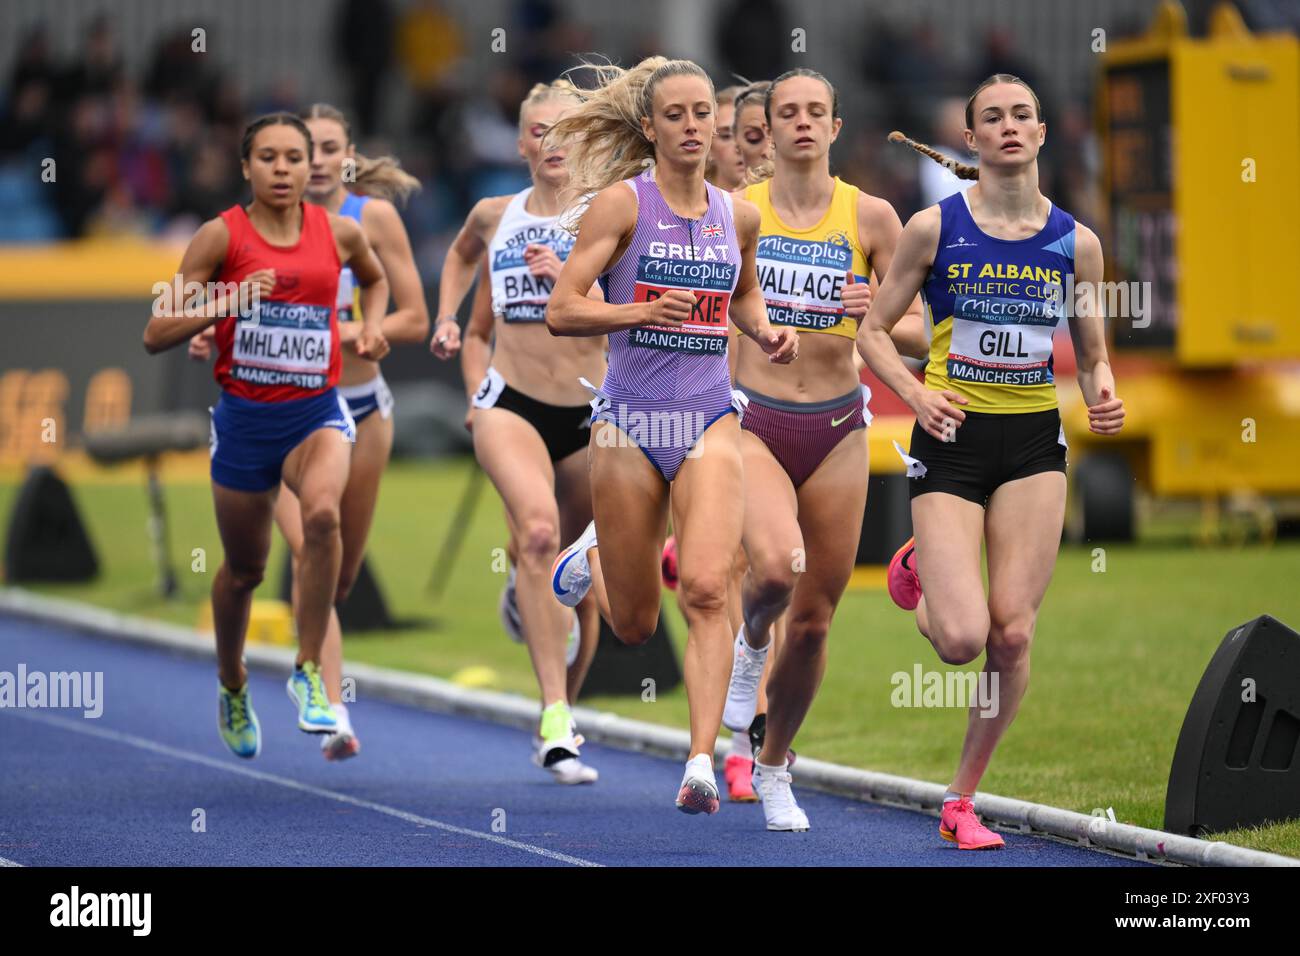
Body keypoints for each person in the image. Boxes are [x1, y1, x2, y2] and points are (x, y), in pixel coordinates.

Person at [859, 75, 1126, 849]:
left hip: (1035, 445)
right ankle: (920, 562)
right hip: (950, 440)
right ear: (971, 140)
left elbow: (1097, 357)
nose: (1009, 127)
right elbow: (875, 332)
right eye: (992, 119)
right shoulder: (931, 229)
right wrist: (916, 394)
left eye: (1022, 116)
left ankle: (960, 800)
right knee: (960, 640)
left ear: (1043, 133)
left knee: (1011, 635)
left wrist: (1104, 394)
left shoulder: (1077, 243)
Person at [545, 56, 798, 814]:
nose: (694, 127)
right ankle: (593, 550)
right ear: (650, 127)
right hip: (628, 422)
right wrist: (636, 313)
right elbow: (563, 309)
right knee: (632, 622)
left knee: (708, 587)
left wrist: (767, 331)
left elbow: (744, 295)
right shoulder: (621, 207)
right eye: (678, 115)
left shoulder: (738, 216)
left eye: (703, 116)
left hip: (710, 418)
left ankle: (699, 762)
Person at [144, 113, 390, 758]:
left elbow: (374, 276)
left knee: (323, 519)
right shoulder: (217, 237)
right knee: (245, 572)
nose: (282, 170)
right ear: (246, 166)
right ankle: (232, 680)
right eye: (268, 158)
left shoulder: (338, 232)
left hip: (315, 414)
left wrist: (372, 325)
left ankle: (309, 672)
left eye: (293, 158)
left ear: (312, 167)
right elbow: (156, 332)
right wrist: (226, 302)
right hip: (245, 422)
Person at [722, 69, 928, 830]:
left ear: (836, 127)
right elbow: (708, 308)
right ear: (766, 130)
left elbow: (918, 327)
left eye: (817, 111)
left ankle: (773, 766)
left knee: (812, 622)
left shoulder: (871, 216)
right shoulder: (739, 212)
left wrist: (875, 308)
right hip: (756, 421)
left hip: (840, 428)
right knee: (774, 570)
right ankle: (748, 650)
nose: (803, 122)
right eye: (788, 112)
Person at [431, 80, 604, 783]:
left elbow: (642, 307)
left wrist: (572, 279)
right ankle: (555, 715)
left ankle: (564, 706)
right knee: (536, 535)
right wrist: (448, 320)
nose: (551, 143)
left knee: (583, 581)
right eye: (538, 130)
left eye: (565, 130)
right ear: (520, 141)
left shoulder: (607, 217)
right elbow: (459, 257)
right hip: (513, 405)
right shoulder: (493, 213)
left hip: (595, 413)